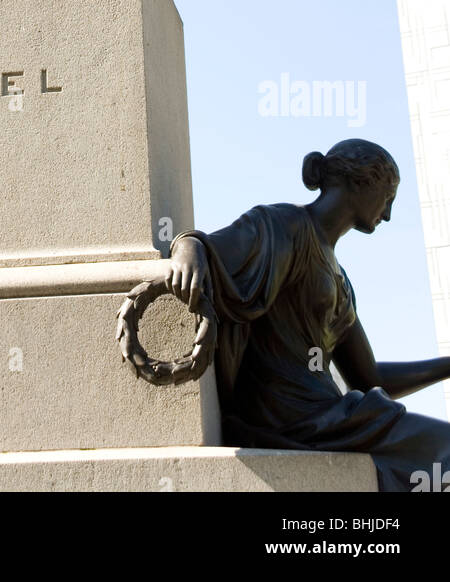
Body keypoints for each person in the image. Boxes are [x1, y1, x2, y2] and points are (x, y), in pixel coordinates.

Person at [164, 140, 450, 491]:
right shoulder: (284, 225)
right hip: (291, 416)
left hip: (330, 413)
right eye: (388, 197)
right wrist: (186, 246)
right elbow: (210, 247)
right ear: (362, 183)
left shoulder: (340, 280)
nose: (388, 214)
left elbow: (370, 377)